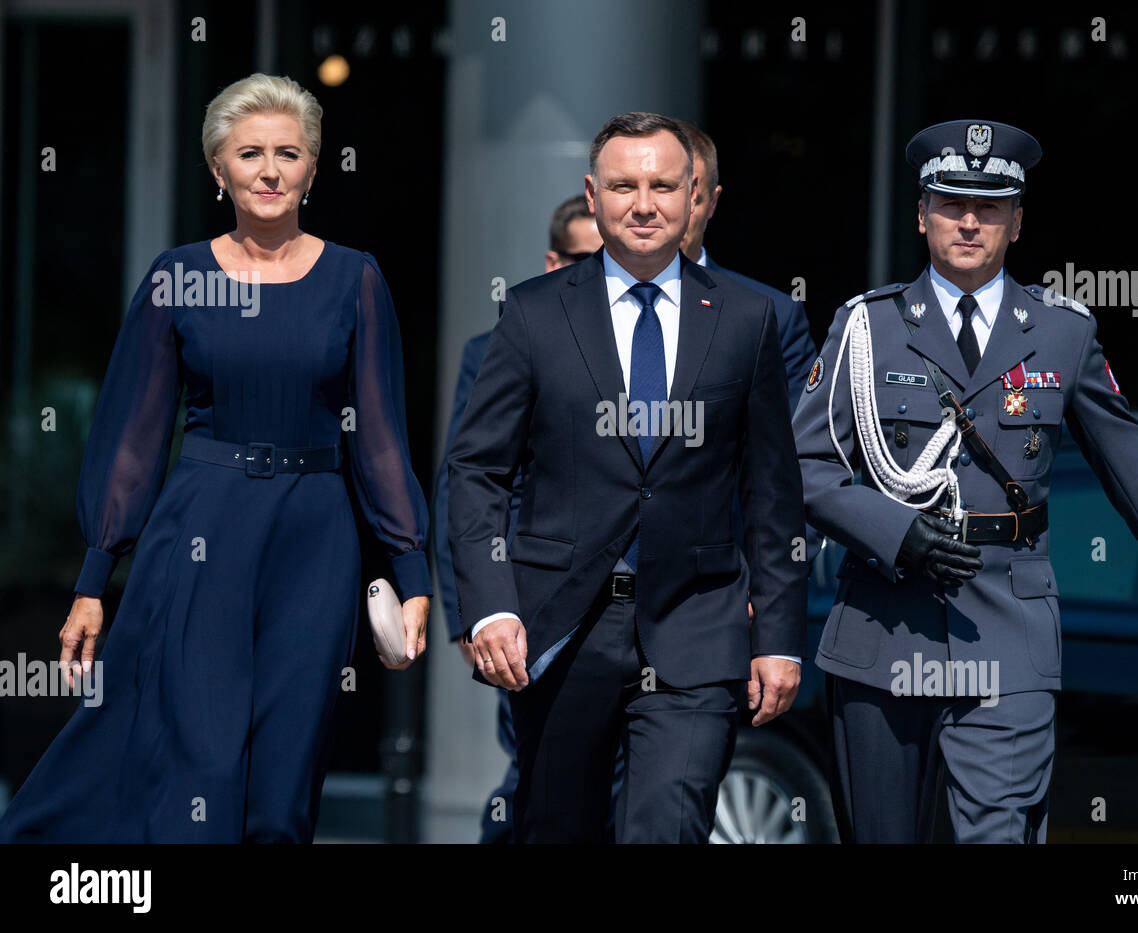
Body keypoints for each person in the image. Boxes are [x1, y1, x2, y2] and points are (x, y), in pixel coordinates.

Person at [0, 73, 432, 843]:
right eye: (250, 153)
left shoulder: (355, 277)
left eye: (288, 153)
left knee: (280, 797)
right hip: (200, 535)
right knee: (197, 773)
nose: (269, 170)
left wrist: (411, 571)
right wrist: (96, 578)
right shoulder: (178, 277)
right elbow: (133, 435)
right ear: (218, 169)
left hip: (314, 543)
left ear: (313, 167)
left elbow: (379, 437)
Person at [792, 119, 1138, 844]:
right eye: (951, 202)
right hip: (883, 626)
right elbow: (805, 470)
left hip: (1008, 625)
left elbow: (1136, 468)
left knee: (999, 832)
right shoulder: (865, 327)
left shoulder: (1062, 331)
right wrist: (896, 531)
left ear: (1018, 221)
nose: (969, 221)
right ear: (921, 214)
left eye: (991, 206)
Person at [448, 111, 806, 843]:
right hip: (559, 630)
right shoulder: (533, 312)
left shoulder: (746, 319)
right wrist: (487, 606)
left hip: (695, 627)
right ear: (593, 193)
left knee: (666, 828)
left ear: (692, 195)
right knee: (555, 829)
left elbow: (771, 490)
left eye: (662, 185)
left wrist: (778, 633)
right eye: (623, 185)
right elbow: (476, 467)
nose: (644, 203)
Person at [432, 193, 602, 843]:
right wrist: (470, 608)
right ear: (551, 262)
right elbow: (465, 481)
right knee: (537, 778)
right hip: (529, 601)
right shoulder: (497, 346)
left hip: (623, 600)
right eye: (581, 259)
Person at [676, 121, 817, 413]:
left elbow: (793, 445)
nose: (672, 214)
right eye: (659, 191)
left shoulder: (775, 314)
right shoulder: (567, 302)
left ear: (713, 203)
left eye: (689, 200)